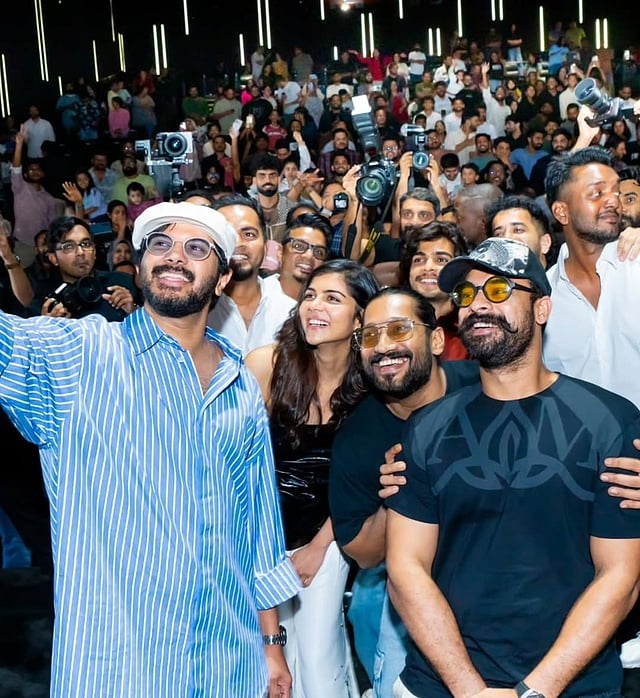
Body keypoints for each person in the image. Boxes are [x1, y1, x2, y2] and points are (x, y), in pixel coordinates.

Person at [0, 201, 301, 697]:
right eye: (160, 244)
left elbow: (257, 528)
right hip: (124, 668)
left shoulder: (240, 384)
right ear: (140, 268)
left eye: (196, 248)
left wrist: (271, 645)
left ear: (223, 279)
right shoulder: (79, 355)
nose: (174, 256)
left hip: (229, 660)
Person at [385, 235, 640, 698]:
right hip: (442, 683)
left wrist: (536, 691)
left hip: (572, 685)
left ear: (542, 309)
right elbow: (405, 570)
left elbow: (621, 576)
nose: (478, 305)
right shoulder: (427, 428)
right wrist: (469, 689)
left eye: (499, 290)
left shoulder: (610, 421)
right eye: (466, 294)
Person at [329, 286, 480, 697]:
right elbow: (363, 553)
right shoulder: (358, 437)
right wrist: (396, 497)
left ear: (436, 340)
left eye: (398, 330)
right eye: (370, 336)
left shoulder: (486, 389)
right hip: (412, 602)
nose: (383, 347)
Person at [245, 259, 380, 698]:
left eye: (332, 298)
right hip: (259, 534)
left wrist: (319, 548)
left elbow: (366, 484)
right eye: (310, 295)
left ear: (360, 318)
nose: (314, 306)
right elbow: (240, 467)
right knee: (266, 660)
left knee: (319, 661)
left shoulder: (373, 383)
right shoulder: (267, 365)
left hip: (329, 534)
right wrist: (262, 547)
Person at [544, 145, 640, 409]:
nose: (614, 202)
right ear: (561, 212)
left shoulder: (636, 265)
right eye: (597, 193)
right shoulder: (544, 295)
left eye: (616, 193)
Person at [206, 193, 297, 355]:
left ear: (266, 246)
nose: (238, 243)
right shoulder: (196, 310)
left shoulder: (290, 312)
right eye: (228, 234)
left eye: (249, 234)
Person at [29, 215, 139, 321]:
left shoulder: (123, 283)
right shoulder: (45, 303)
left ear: (94, 252)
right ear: (53, 258)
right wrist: (47, 326)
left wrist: (134, 312)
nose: (80, 252)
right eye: (69, 246)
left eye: (86, 244)